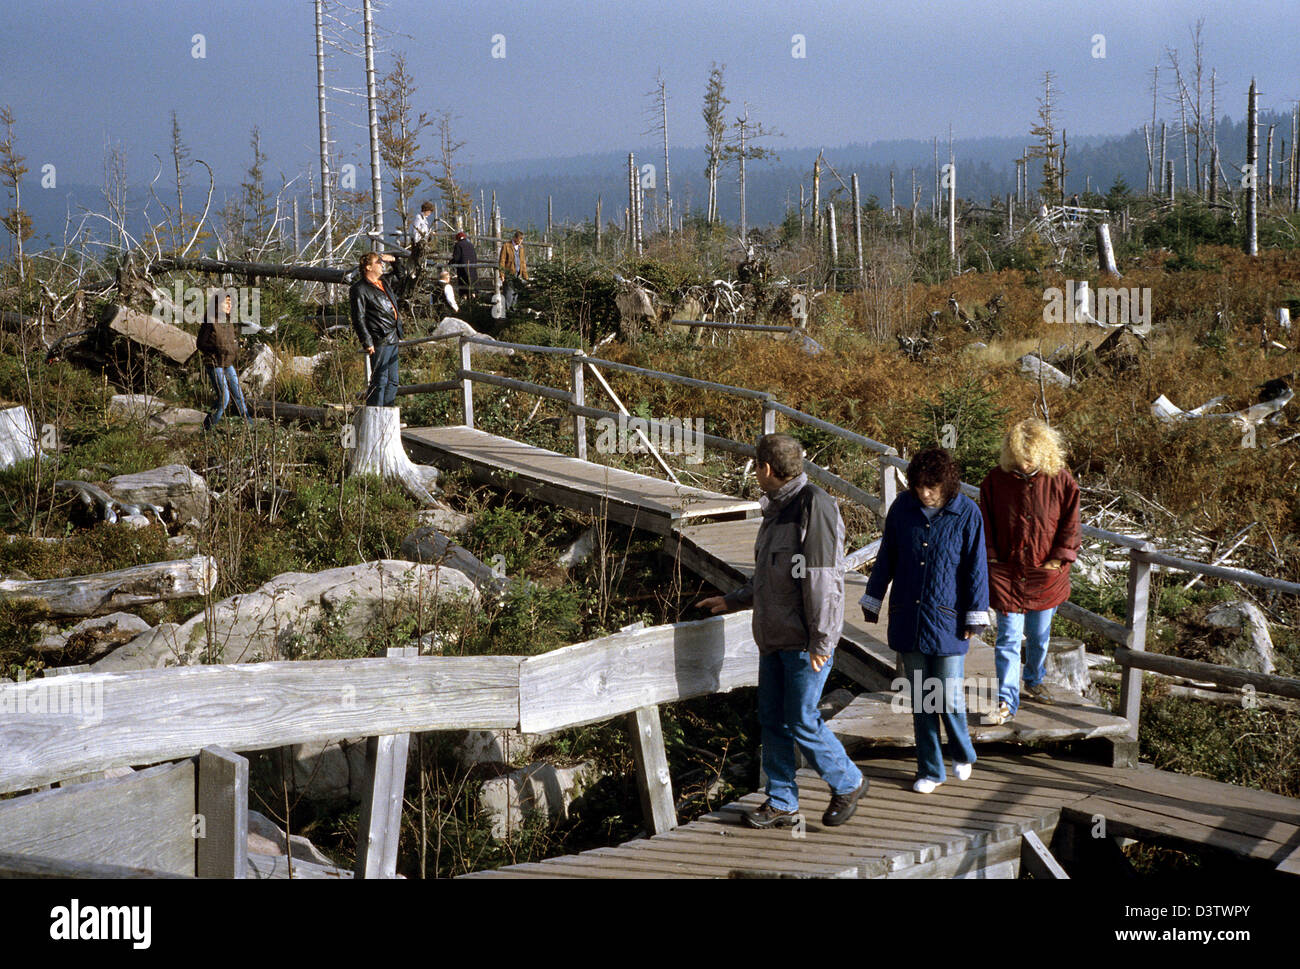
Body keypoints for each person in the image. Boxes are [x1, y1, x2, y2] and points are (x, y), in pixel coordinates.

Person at [697, 433, 867, 829]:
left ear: (766, 469)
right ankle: (781, 801)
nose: (755, 472)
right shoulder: (777, 508)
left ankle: (848, 782)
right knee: (772, 719)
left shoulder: (814, 506)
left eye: (755, 466)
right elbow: (772, 578)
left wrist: (822, 641)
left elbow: (824, 581)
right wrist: (734, 601)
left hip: (805, 643)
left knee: (802, 719)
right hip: (773, 637)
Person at [860, 447, 989, 794]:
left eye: (931, 487)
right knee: (921, 699)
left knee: (945, 695)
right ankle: (930, 770)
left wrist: (974, 617)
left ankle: (963, 751)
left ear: (947, 485)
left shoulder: (968, 514)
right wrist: (873, 598)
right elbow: (887, 556)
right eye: (919, 486)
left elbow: (976, 569)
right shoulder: (902, 509)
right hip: (908, 616)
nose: (924, 493)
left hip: (948, 620)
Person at [979, 419, 1081, 725]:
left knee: (1038, 636)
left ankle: (1034, 679)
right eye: (1019, 455)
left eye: (1030, 456)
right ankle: (1006, 701)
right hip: (1007, 572)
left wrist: (1058, 559)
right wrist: (991, 557)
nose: (1024, 463)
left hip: (1045, 573)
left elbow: (1070, 524)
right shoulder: (995, 480)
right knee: (1008, 639)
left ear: (1043, 451)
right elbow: (984, 520)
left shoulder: (1062, 481)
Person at [350, 251, 402, 407]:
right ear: (368, 267)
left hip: (393, 335)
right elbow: (357, 317)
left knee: (393, 380)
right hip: (379, 338)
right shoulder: (359, 289)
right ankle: (374, 414)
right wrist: (366, 341)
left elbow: (401, 274)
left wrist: (394, 260)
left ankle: (388, 414)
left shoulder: (384, 281)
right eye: (378, 262)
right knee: (380, 379)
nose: (381, 264)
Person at [196, 289, 251, 431]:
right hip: (214, 363)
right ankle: (207, 428)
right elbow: (200, 344)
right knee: (224, 397)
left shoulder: (228, 321)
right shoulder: (210, 321)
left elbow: (229, 342)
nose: (229, 305)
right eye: (226, 303)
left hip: (227, 363)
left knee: (238, 394)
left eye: (230, 303)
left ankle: (249, 426)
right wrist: (217, 348)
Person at [497, 230, 528, 310]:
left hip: (518, 274)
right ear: (515, 238)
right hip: (509, 273)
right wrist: (502, 274)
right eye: (519, 240)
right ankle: (507, 312)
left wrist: (525, 276)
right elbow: (502, 261)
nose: (520, 242)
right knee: (508, 294)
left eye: (521, 240)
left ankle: (514, 311)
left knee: (516, 294)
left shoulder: (521, 248)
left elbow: (523, 262)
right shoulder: (506, 246)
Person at [450, 231, 478, 303]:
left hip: (463, 270)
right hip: (473, 269)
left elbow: (456, 257)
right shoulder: (470, 245)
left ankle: (464, 302)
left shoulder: (458, 245)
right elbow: (475, 257)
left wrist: (451, 263)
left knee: (463, 287)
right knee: (472, 286)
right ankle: (474, 300)